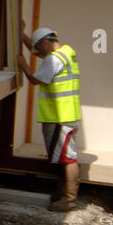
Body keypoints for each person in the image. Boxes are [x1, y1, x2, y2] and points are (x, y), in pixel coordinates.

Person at [17, 25, 81, 212]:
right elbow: (41, 54)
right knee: (64, 157)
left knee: (68, 158)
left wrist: (22, 64)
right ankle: (63, 194)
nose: (37, 53)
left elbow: (36, 79)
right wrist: (22, 36)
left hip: (59, 117)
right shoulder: (67, 52)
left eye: (39, 48)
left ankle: (70, 200)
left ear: (45, 42)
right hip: (68, 114)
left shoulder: (52, 60)